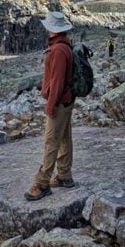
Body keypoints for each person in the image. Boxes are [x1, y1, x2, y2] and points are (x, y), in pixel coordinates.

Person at [25, 11, 75, 201]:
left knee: (51, 141)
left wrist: (51, 104)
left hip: (60, 101)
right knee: (64, 138)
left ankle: (42, 183)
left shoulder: (58, 51)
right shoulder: (64, 45)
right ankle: (64, 175)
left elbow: (57, 82)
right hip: (67, 100)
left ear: (52, 29)